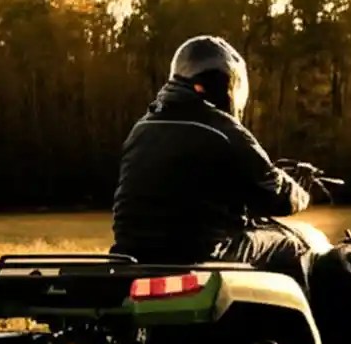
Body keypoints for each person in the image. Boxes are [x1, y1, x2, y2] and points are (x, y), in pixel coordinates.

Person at [109, 34, 324, 291]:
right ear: (227, 85)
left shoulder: (143, 127)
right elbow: (278, 197)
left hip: (134, 257)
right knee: (296, 243)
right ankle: (298, 327)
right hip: (201, 256)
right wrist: (301, 191)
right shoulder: (224, 130)